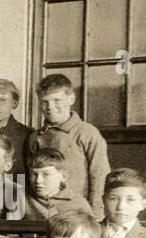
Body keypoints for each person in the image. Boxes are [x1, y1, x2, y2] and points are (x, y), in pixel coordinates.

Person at [26, 73, 109, 216]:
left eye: (57, 100)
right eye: (45, 102)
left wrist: (97, 215)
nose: (50, 107)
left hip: (78, 210)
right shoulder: (36, 137)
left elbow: (99, 176)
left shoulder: (87, 133)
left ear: (71, 99)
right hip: (43, 211)